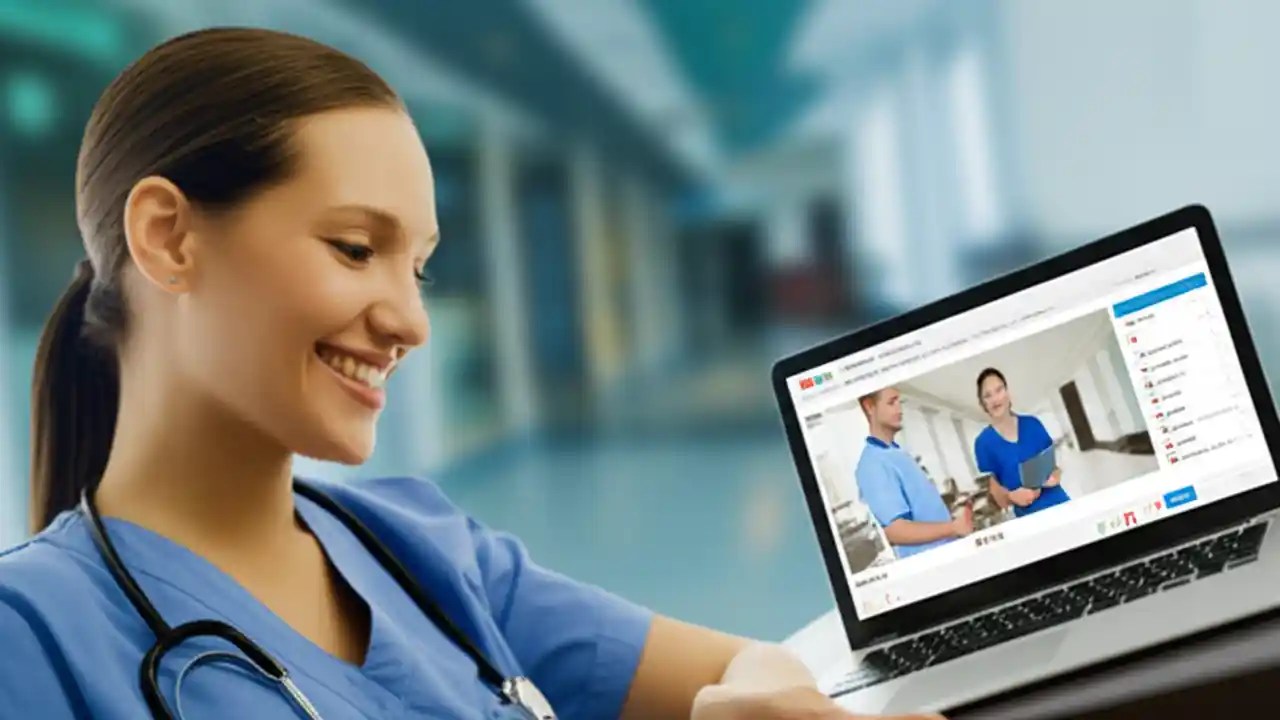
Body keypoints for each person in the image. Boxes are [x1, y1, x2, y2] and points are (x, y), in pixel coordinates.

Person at [0, 28, 941, 720]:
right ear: (169, 237)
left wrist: (757, 698)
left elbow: (754, 665)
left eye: (420, 267)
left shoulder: (424, 553)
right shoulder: (32, 638)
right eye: (356, 247)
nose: (411, 321)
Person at [855, 388, 973, 559]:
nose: (899, 409)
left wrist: (953, 521)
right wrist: (954, 527)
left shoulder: (898, 453)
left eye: (899, 402)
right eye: (891, 402)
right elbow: (895, 531)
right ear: (869, 407)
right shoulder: (873, 464)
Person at [973, 368, 1070, 518]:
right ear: (982, 404)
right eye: (987, 395)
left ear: (1007, 393)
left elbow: (1053, 467)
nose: (995, 399)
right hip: (1030, 518)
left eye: (999, 390)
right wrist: (1010, 497)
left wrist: (1055, 476)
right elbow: (994, 499)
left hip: (1060, 504)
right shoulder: (983, 444)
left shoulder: (1033, 424)